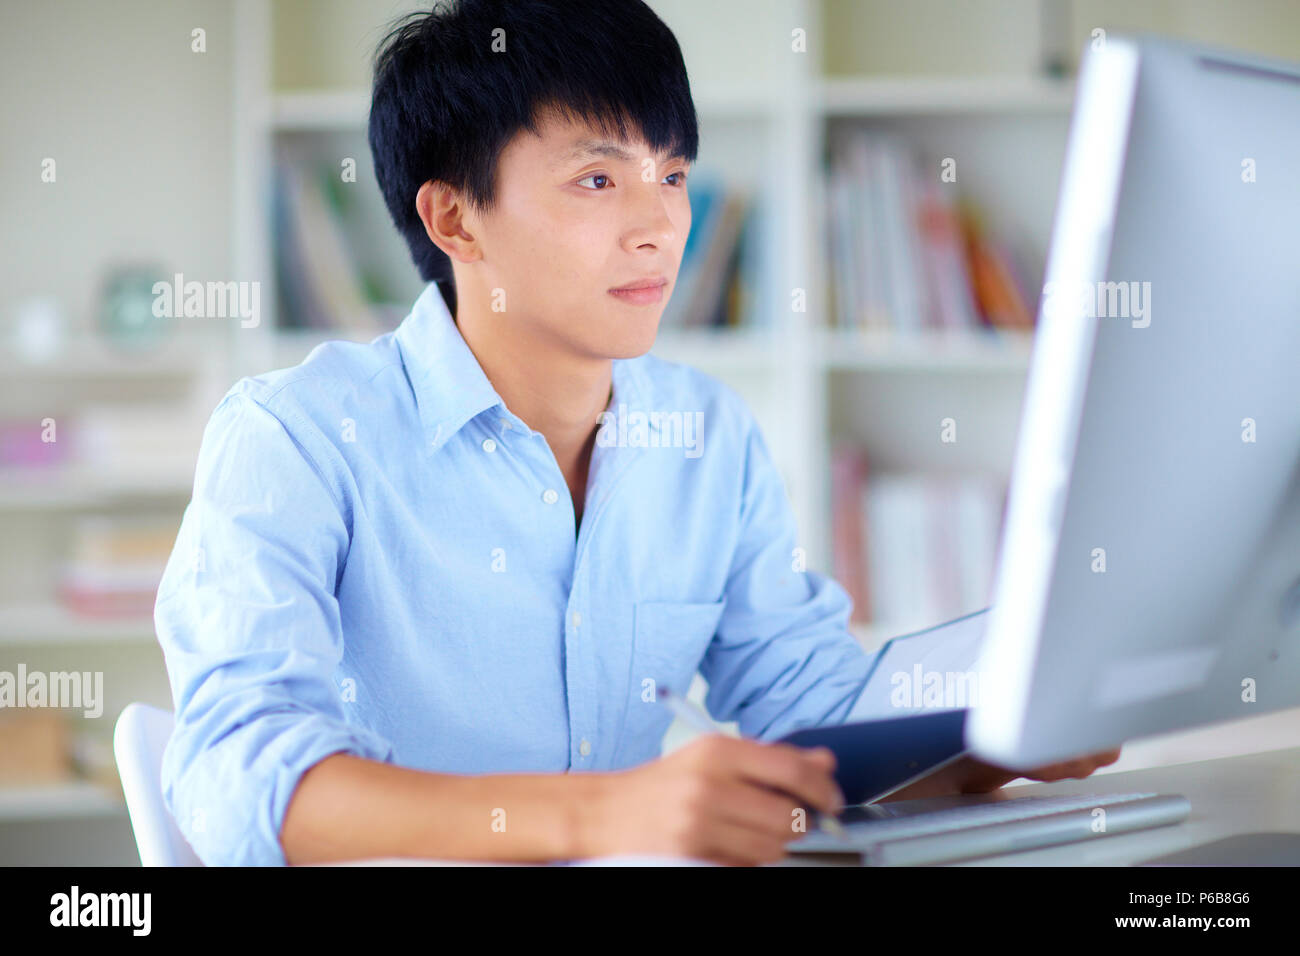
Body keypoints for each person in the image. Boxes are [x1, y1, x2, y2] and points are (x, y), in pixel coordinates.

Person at [155, 0, 1117, 867]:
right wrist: (602, 817)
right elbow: (240, 781)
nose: (662, 223)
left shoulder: (707, 438)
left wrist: (989, 743)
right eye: (597, 179)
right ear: (455, 218)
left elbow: (819, 729)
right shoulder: (296, 438)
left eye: (673, 173)